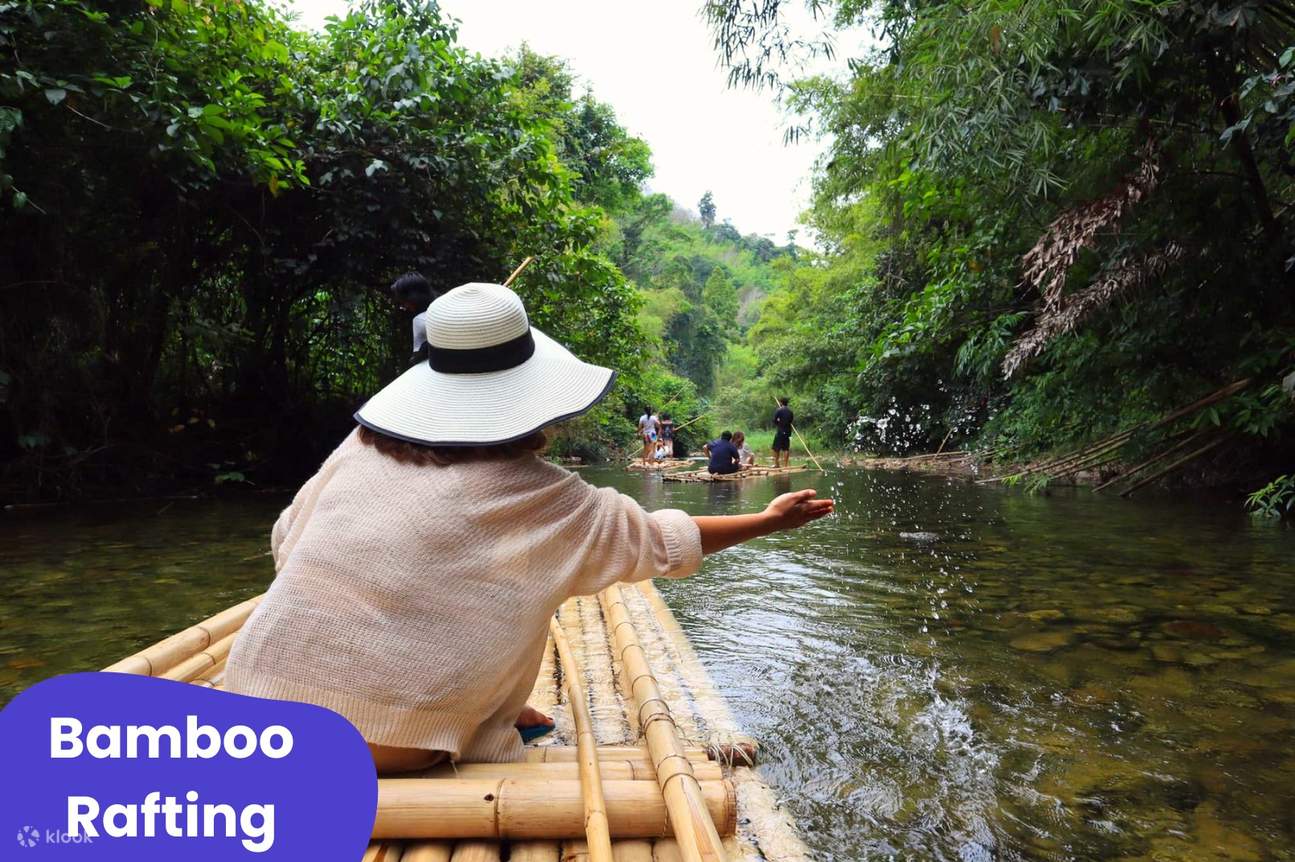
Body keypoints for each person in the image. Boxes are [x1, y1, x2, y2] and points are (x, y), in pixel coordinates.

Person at [224, 283, 833, 774]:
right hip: (387, 741)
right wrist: (767, 521)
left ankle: (495, 708)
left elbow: (286, 539)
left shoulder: (360, 445)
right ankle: (476, 716)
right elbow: (660, 542)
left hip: (249, 709)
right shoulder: (544, 497)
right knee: (515, 591)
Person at [391, 272, 436, 363]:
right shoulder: (443, 309)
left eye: (404, 302)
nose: (405, 307)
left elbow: (417, 357)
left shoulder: (419, 320)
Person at [772, 397, 794, 468]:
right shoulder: (790, 411)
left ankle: (776, 464)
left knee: (776, 448)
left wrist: (779, 422)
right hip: (788, 432)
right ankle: (785, 465)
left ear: (781, 402)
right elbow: (791, 421)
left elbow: (774, 420)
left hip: (780, 431)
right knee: (786, 448)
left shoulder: (779, 410)